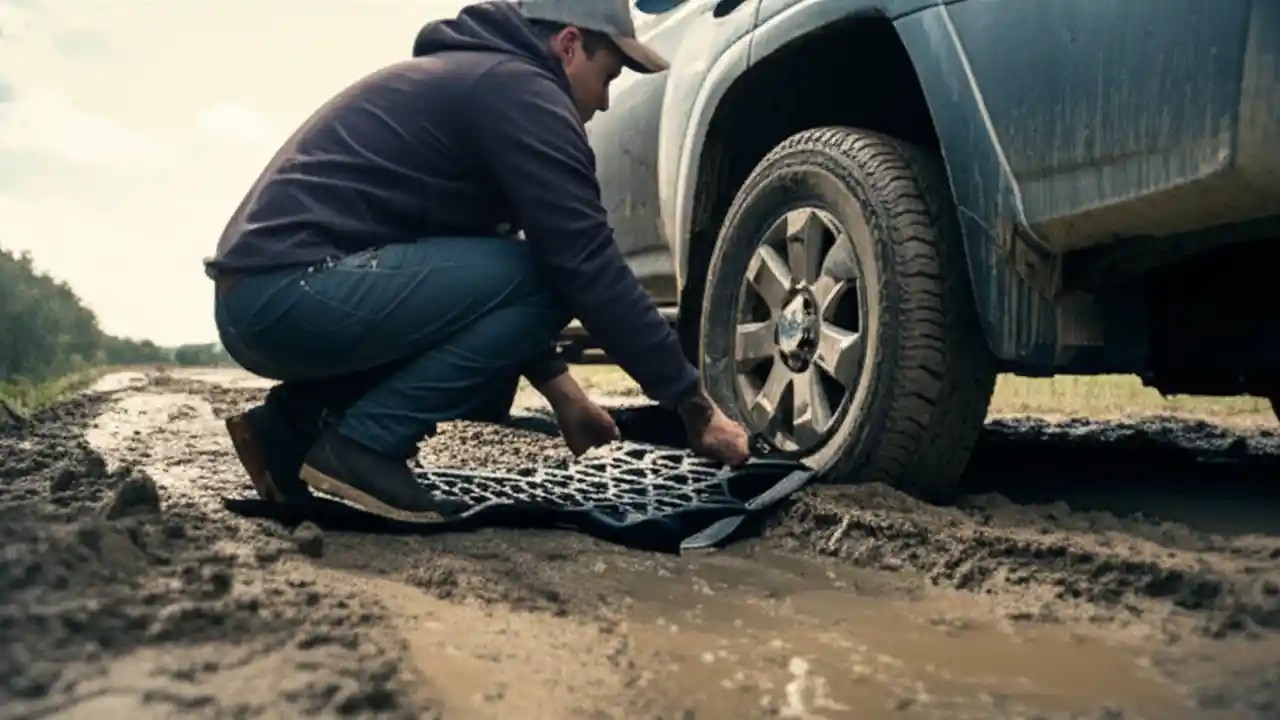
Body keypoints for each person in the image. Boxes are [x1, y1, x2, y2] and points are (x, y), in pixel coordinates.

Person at [206, 0, 751, 523]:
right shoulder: (523, 91)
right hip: (292, 293)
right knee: (555, 272)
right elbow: (583, 262)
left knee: (507, 338)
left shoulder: (482, 79)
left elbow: (473, 295)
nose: (606, 102)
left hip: (261, 299)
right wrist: (694, 406)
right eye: (607, 76)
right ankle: (361, 448)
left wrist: (565, 396)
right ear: (568, 44)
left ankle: (288, 431)